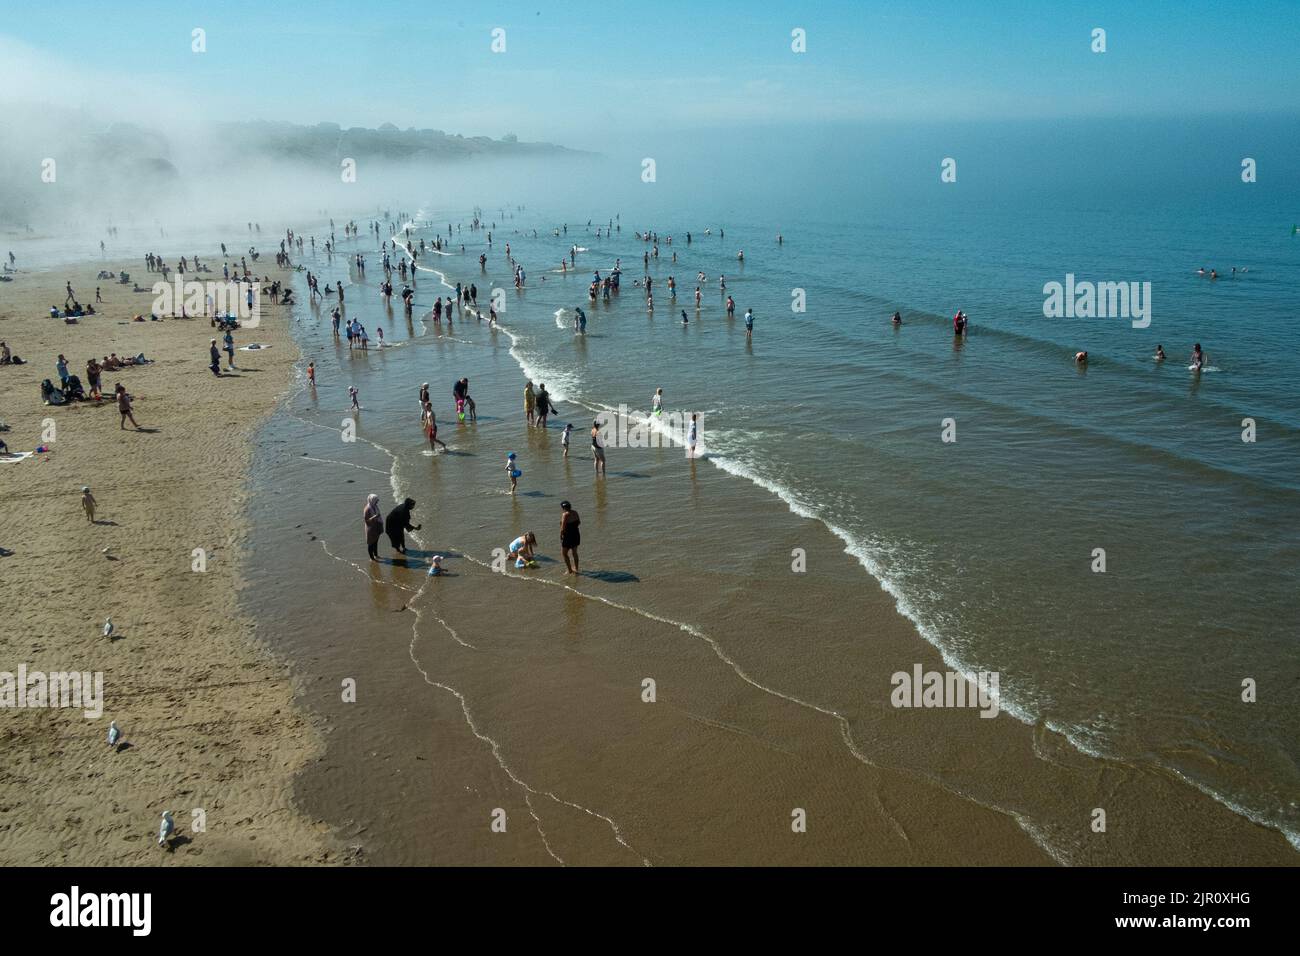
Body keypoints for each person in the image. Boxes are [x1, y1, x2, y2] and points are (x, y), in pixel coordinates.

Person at [560, 500, 581, 575]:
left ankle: (569, 570)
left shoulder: (565, 514)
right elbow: (579, 522)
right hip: (576, 534)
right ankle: (576, 569)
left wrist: (561, 535)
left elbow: (562, 528)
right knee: (574, 552)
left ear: (563, 508)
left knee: (564, 553)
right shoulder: (575, 512)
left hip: (568, 536)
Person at [363, 494, 384, 560]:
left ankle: (376, 555)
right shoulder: (367, 509)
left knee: (375, 542)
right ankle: (372, 558)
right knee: (370, 544)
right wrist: (374, 517)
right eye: (376, 500)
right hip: (371, 528)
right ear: (372, 500)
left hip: (376, 527)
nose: (378, 501)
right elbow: (366, 521)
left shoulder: (374, 506)